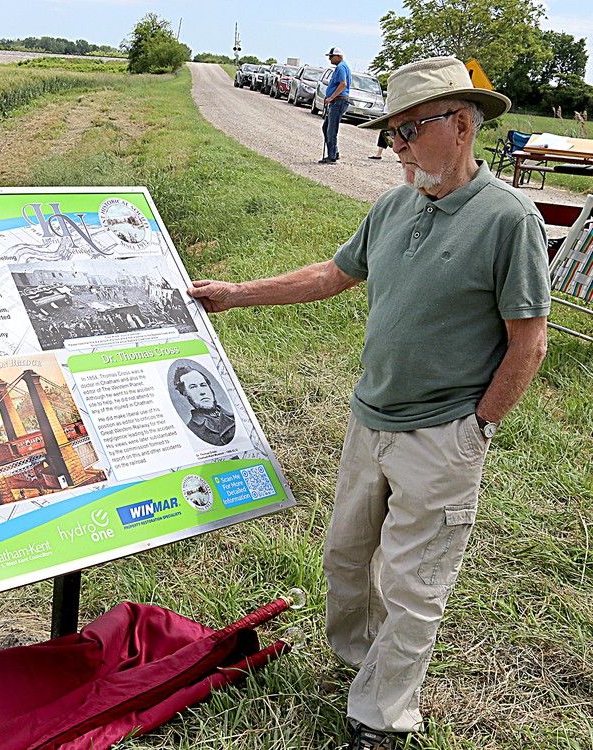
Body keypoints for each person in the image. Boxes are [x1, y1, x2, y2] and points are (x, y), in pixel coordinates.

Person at [188, 56, 550, 749]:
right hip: (369, 419)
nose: (397, 146)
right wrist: (235, 293)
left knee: (415, 585)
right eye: (391, 133)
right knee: (346, 560)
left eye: (409, 129)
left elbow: (528, 343)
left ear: (463, 125)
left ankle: (381, 717)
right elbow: (333, 274)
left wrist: (478, 428)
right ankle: (362, 666)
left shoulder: (509, 220)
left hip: (442, 436)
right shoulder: (395, 204)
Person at [172, 364, 236, 446]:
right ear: (185, 393)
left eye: (203, 385)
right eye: (193, 387)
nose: (202, 392)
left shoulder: (234, 417)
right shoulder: (192, 430)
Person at [320, 47, 351, 164]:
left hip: (338, 101)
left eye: (331, 56)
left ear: (338, 56)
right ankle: (334, 152)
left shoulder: (341, 67)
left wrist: (331, 97)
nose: (329, 59)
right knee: (326, 127)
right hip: (336, 101)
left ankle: (331, 156)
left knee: (331, 129)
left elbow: (343, 84)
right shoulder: (341, 67)